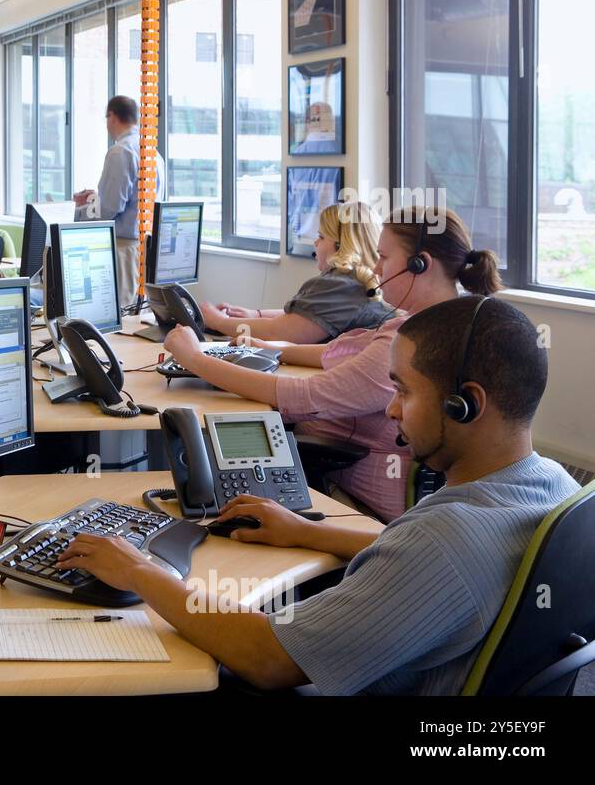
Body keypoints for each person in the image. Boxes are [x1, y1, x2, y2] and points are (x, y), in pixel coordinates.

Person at [58, 296, 578, 695]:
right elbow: (429, 559)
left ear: (466, 405)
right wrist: (308, 531)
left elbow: (268, 659)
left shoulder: (446, 541)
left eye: (404, 390)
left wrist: (139, 572)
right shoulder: (553, 485)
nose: (392, 411)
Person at [163, 207, 503, 522]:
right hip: (362, 470)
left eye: (384, 257)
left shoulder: (415, 342)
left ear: (420, 264)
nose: (378, 269)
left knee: (218, 451)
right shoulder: (439, 323)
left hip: (360, 499)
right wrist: (271, 348)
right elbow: (344, 350)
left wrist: (196, 358)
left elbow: (304, 397)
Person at [200, 201, 390, 342]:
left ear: (341, 245)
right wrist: (256, 315)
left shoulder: (340, 283)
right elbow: (308, 318)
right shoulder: (363, 280)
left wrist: (218, 321)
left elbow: (279, 332)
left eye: (321, 236)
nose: (316, 243)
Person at [74, 95, 140, 309]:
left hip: (121, 248)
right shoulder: (152, 152)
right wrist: (96, 198)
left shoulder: (120, 151)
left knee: (119, 317)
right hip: (141, 248)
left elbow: (109, 209)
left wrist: (77, 213)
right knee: (134, 312)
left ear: (112, 116)